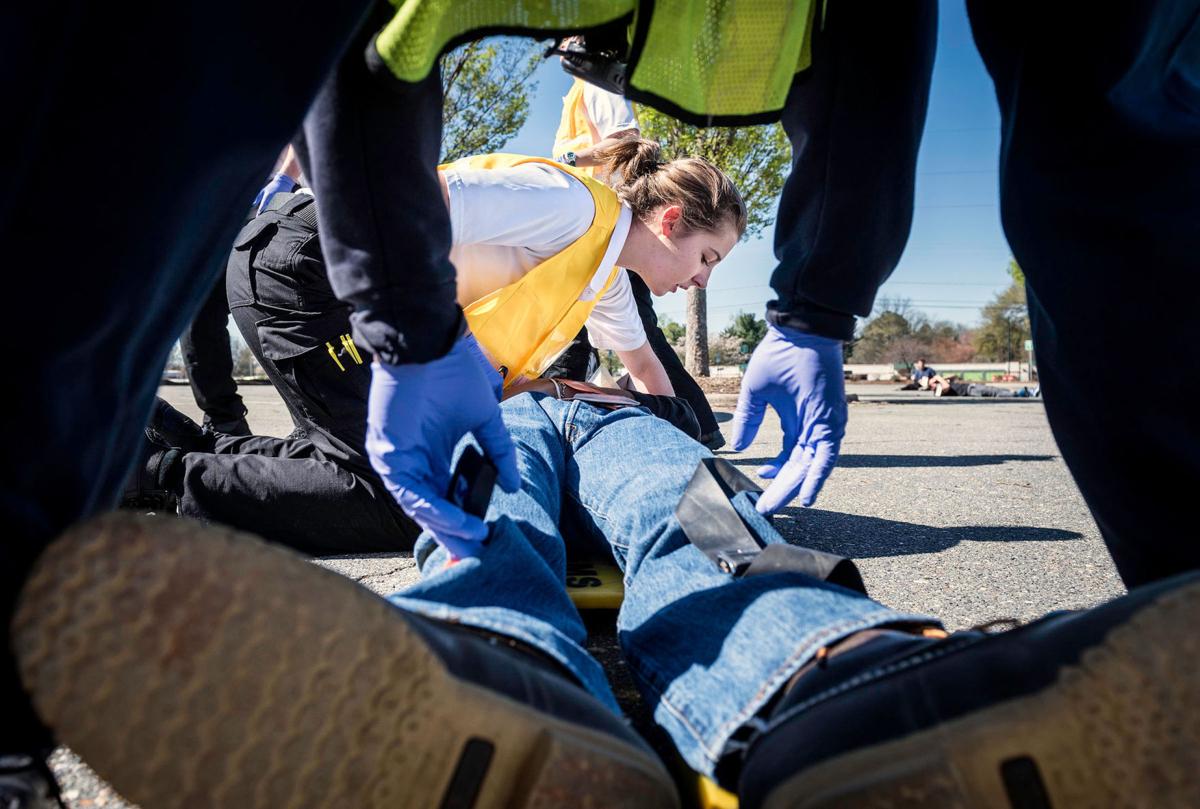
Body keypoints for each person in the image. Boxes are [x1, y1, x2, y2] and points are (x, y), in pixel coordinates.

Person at [12, 395, 1198, 807]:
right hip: (519, 404)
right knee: (541, 514)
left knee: (635, 508)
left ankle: (496, 670)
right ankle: (845, 686)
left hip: (593, 411)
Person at [548, 52, 726, 448]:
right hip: (595, 240)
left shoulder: (599, 83)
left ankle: (695, 424)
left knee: (634, 335)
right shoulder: (579, 95)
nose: (701, 278)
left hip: (612, 234)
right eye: (705, 259)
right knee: (584, 335)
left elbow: (628, 140)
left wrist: (567, 159)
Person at [926, 374, 1034, 398]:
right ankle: (1022, 393)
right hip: (970, 390)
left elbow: (955, 376)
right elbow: (947, 387)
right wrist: (939, 378)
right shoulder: (937, 391)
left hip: (972, 387)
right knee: (994, 392)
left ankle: (1022, 392)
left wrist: (942, 378)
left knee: (996, 390)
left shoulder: (940, 383)